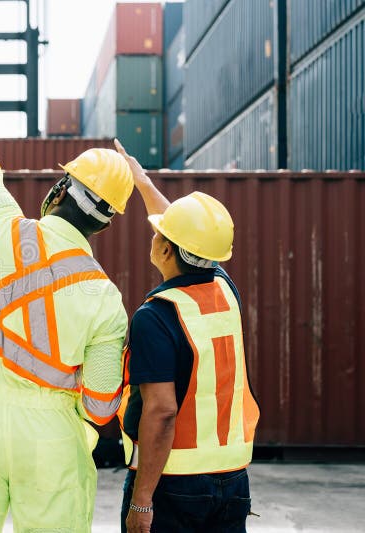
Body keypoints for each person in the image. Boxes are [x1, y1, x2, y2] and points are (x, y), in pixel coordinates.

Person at [0, 58, 134, 532]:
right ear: (106, 221)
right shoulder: (105, 299)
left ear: (61, 188)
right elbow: (102, 404)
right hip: (50, 446)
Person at [114, 139, 261, 533]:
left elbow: (161, 413)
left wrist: (142, 502)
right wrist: (142, 181)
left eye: (160, 233)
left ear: (165, 250)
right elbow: (192, 242)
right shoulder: (225, 291)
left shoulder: (156, 316)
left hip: (172, 485)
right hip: (232, 480)